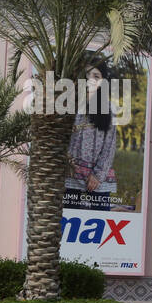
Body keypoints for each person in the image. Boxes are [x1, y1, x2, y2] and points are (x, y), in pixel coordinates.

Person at [65, 59, 118, 210]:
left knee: (100, 218)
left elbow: (109, 146)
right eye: (87, 75)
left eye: (96, 76)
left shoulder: (109, 109)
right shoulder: (69, 104)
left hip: (97, 179)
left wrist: (98, 175)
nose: (90, 79)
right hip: (70, 175)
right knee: (66, 217)